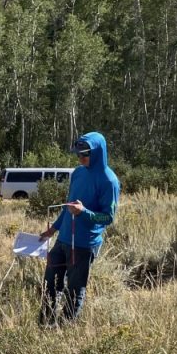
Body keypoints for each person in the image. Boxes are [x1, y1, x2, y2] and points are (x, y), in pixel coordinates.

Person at [39, 132, 119, 325]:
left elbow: (108, 217)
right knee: (50, 280)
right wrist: (54, 229)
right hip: (63, 240)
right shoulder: (78, 172)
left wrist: (83, 212)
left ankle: (66, 326)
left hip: (84, 245)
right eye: (78, 154)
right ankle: (46, 322)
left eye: (84, 154)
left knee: (74, 288)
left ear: (98, 152)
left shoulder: (109, 181)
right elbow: (68, 207)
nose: (80, 158)